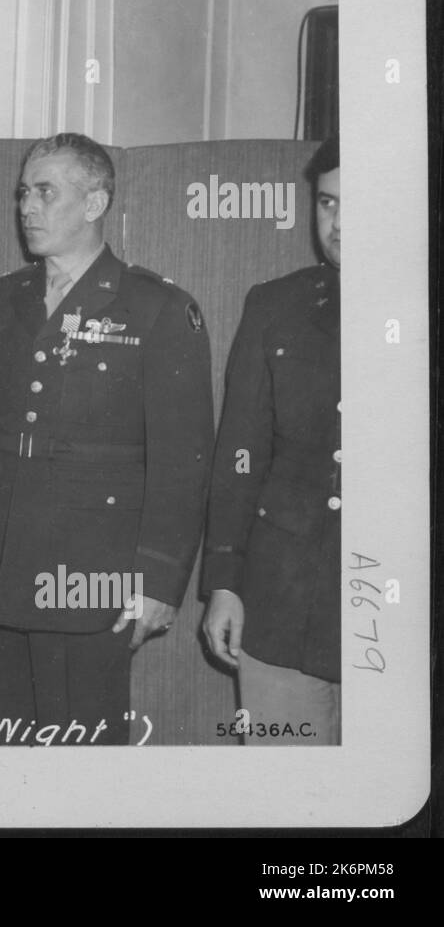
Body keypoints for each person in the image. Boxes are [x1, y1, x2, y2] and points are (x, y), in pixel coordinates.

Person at [0, 133, 214, 745]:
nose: (27, 208)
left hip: (95, 574)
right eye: (23, 193)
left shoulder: (158, 309)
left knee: (83, 755)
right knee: (3, 743)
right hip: (1, 559)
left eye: (45, 192)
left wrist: (159, 582)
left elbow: (183, 463)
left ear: (95, 204)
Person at [201, 137, 341, 745]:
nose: (339, 223)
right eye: (329, 203)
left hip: (398, 609)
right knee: (285, 786)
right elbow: (240, 457)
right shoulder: (275, 306)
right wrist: (226, 582)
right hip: (282, 601)